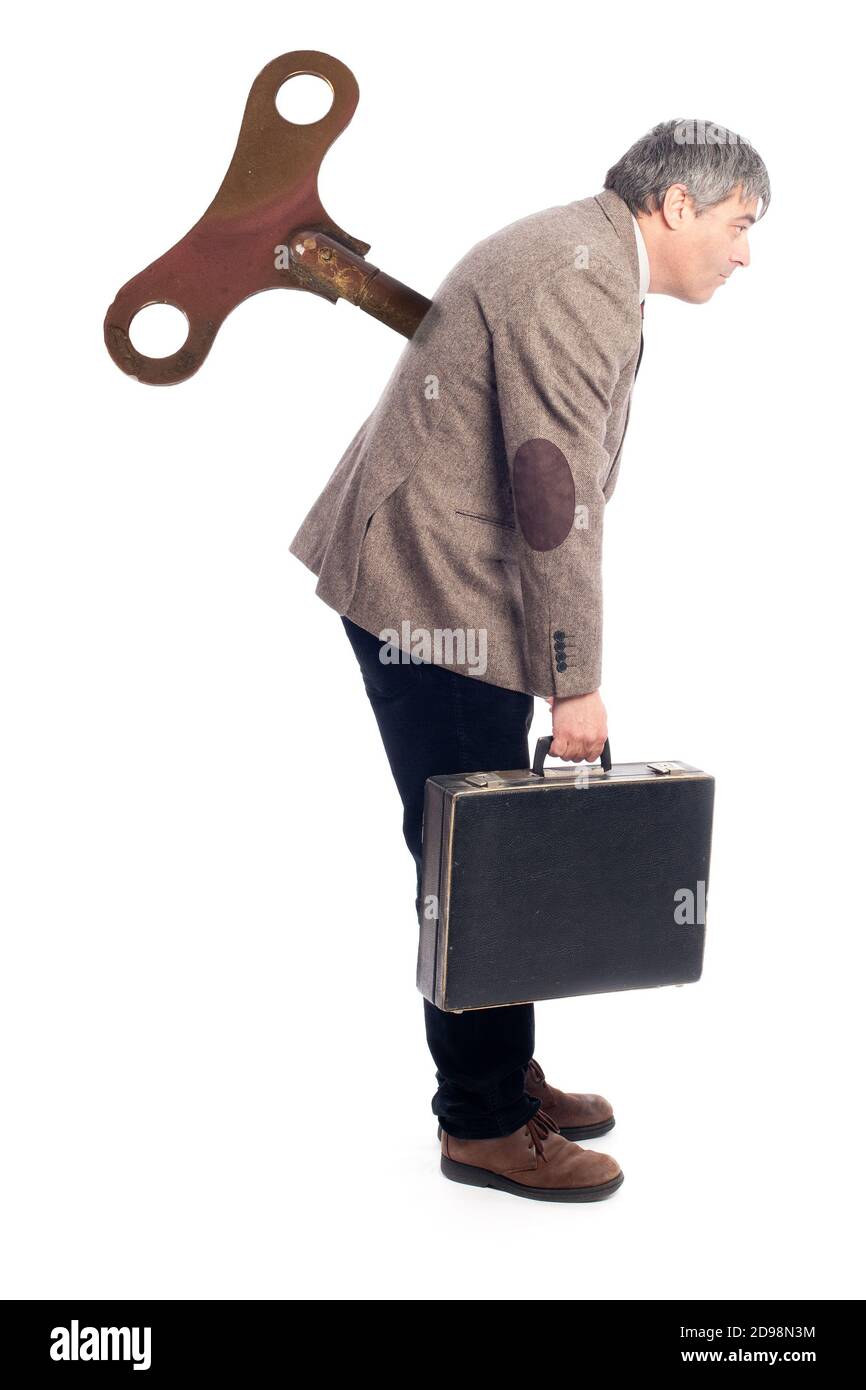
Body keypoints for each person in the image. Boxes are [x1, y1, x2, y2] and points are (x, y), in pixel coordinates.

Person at [289, 118, 770, 1202]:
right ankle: (482, 1120)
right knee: (470, 853)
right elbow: (552, 493)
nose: (745, 253)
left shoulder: (588, 255)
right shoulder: (580, 277)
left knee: (482, 839)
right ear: (676, 204)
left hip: (444, 572)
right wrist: (574, 678)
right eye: (740, 224)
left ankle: (501, 1068)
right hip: (427, 591)